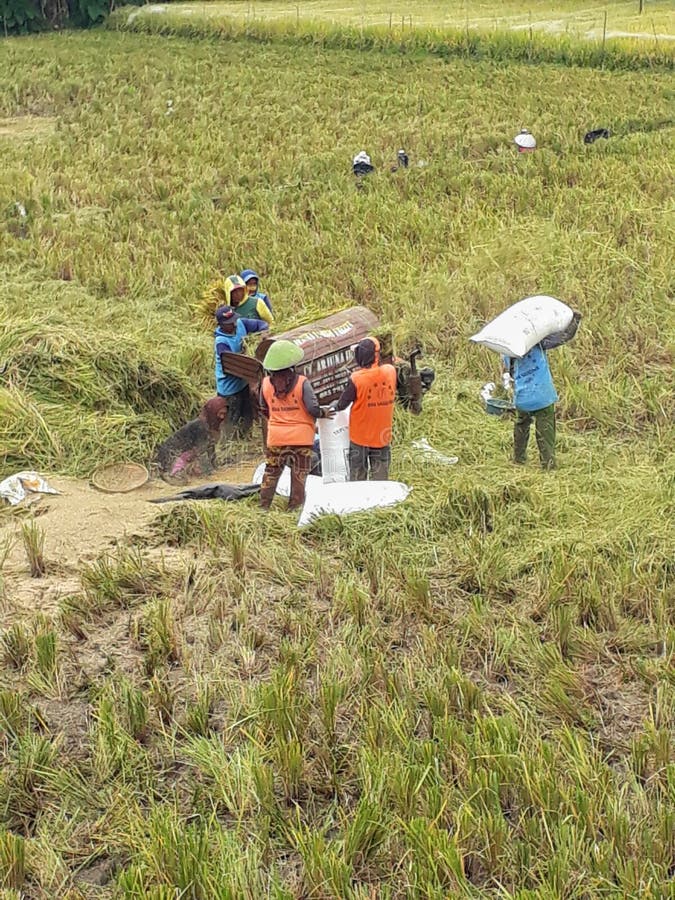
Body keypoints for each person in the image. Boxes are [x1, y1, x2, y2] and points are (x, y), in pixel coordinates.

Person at [259, 340, 333, 511]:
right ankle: (294, 508)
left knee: (271, 473)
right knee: (299, 475)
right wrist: (324, 413)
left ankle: (263, 507)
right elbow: (313, 409)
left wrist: (278, 420)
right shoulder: (301, 383)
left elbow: (263, 409)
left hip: (276, 438)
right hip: (301, 438)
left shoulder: (264, 384)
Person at [504, 312, 581, 470]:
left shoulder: (507, 349)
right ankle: (548, 463)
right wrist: (575, 321)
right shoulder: (538, 341)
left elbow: (510, 372)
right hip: (542, 395)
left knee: (521, 425)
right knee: (545, 429)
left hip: (522, 396)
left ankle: (518, 459)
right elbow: (563, 337)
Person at [334, 337, 397, 481]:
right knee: (381, 478)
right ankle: (380, 501)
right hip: (382, 436)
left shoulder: (356, 379)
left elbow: (342, 405)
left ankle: (360, 501)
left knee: (358, 478)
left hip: (360, 438)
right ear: (376, 355)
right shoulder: (390, 372)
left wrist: (332, 407)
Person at [214, 305, 268, 439]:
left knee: (247, 414)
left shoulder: (240, 323)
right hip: (229, 388)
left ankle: (246, 438)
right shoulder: (221, 342)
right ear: (221, 325)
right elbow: (231, 364)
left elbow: (261, 324)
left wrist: (264, 333)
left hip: (243, 381)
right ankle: (231, 445)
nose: (233, 324)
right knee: (232, 419)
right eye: (229, 323)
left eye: (233, 320)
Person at [153, 397, 227, 484]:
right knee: (183, 481)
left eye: (224, 414)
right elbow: (201, 451)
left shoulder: (210, 424)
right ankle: (169, 473)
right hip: (172, 455)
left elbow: (210, 447)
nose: (222, 417)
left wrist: (214, 465)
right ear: (213, 412)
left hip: (186, 454)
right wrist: (208, 471)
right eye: (220, 413)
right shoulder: (200, 426)